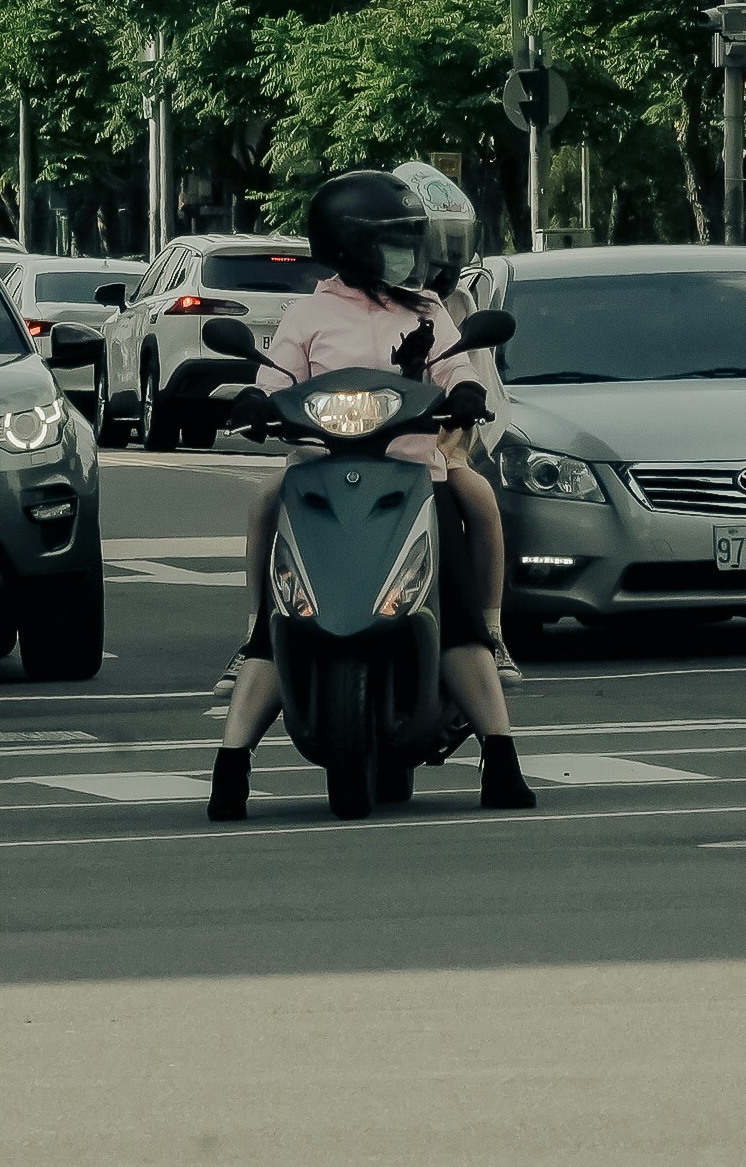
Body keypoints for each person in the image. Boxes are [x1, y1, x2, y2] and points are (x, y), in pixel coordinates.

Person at [210, 169, 534, 819]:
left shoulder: (426, 312)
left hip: (416, 478)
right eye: (389, 241)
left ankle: (499, 755)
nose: (403, 254)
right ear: (347, 244)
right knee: (282, 617)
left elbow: (453, 364)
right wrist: (255, 397)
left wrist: (462, 387)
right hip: (319, 479)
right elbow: (277, 377)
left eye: (406, 241)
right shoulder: (308, 315)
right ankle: (230, 763)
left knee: (458, 617)